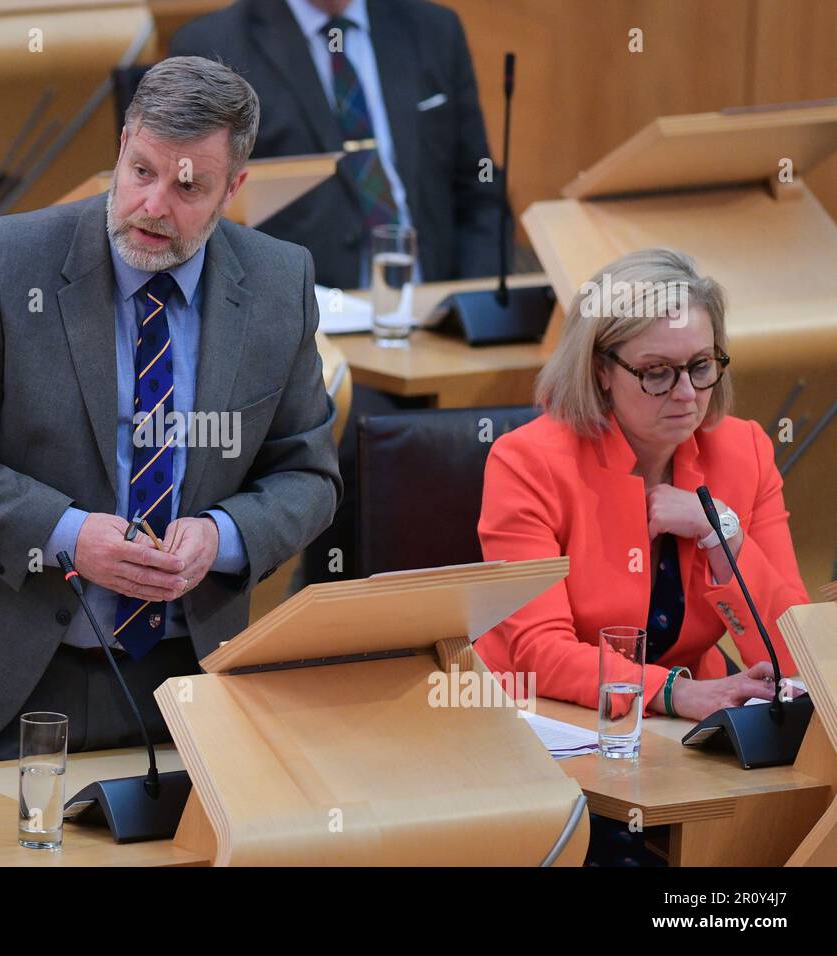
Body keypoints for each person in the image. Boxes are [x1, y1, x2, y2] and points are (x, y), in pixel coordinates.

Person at [0, 56, 342, 768]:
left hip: (182, 677)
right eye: (141, 171)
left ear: (235, 188)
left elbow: (309, 476)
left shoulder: (278, 282)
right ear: (122, 148)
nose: (154, 206)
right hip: (1, 666)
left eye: (189, 186)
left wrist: (223, 535)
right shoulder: (0, 262)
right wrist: (67, 534)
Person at [478, 249, 808, 722]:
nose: (686, 394)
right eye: (656, 372)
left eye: (700, 366)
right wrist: (675, 692)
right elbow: (540, 652)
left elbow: (795, 658)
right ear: (601, 371)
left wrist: (722, 534)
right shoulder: (526, 462)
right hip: (538, 716)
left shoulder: (746, 451)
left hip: (681, 727)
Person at [170, 0, 503, 289]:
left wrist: (470, 300)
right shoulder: (213, 47)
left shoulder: (434, 30)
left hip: (432, 311)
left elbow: (481, 186)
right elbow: (197, 209)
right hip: (308, 322)